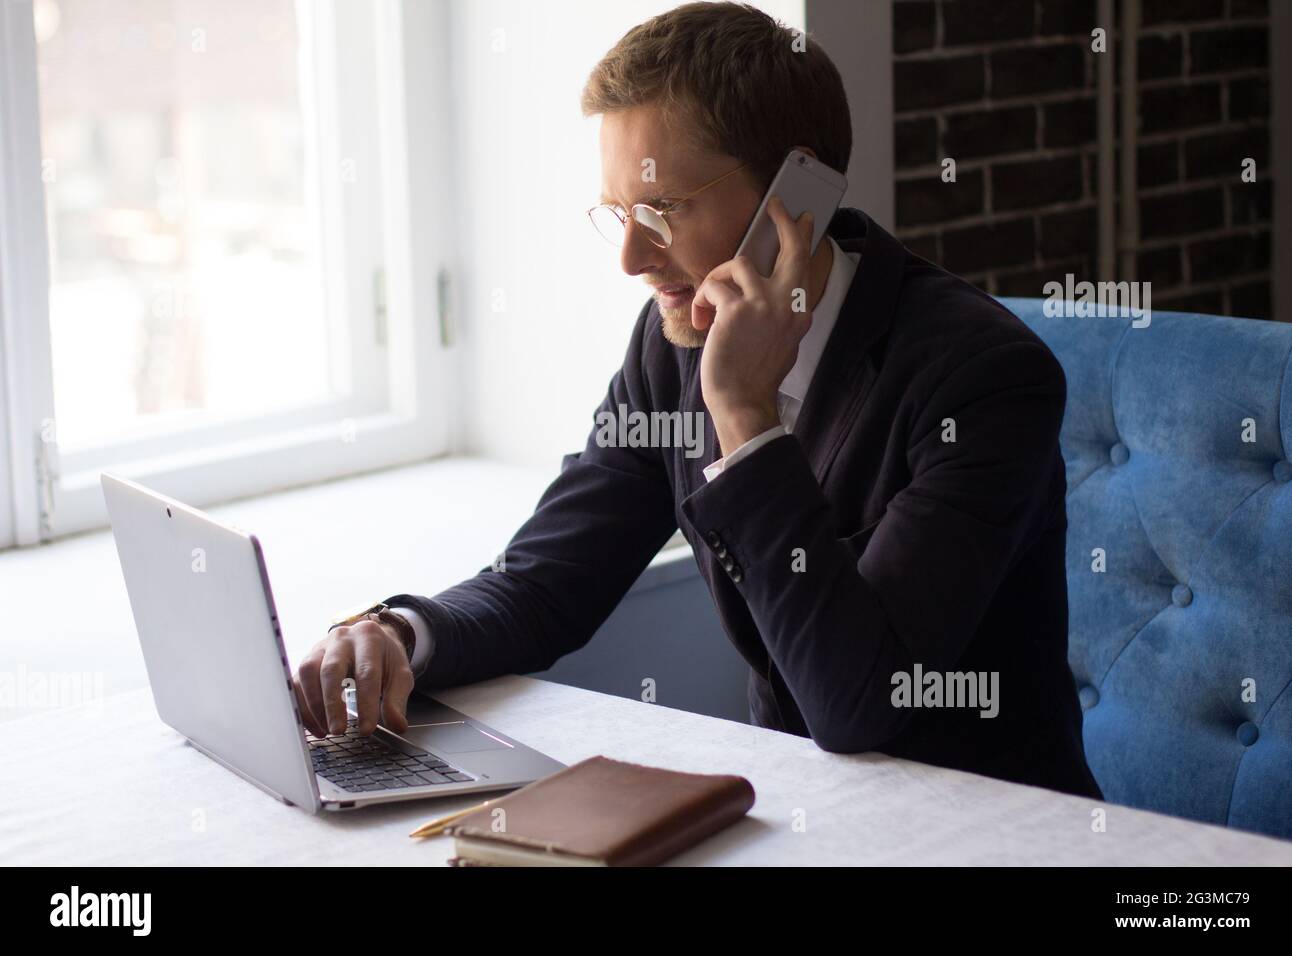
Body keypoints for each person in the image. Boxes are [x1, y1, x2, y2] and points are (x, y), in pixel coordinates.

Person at [294, 1, 1103, 799]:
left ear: (802, 193)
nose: (631, 258)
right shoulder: (670, 343)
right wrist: (401, 633)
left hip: (992, 829)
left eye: (662, 209)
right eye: (617, 212)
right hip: (802, 817)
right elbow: (548, 582)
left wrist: (744, 420)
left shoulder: (985, 377)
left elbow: (863, 705)